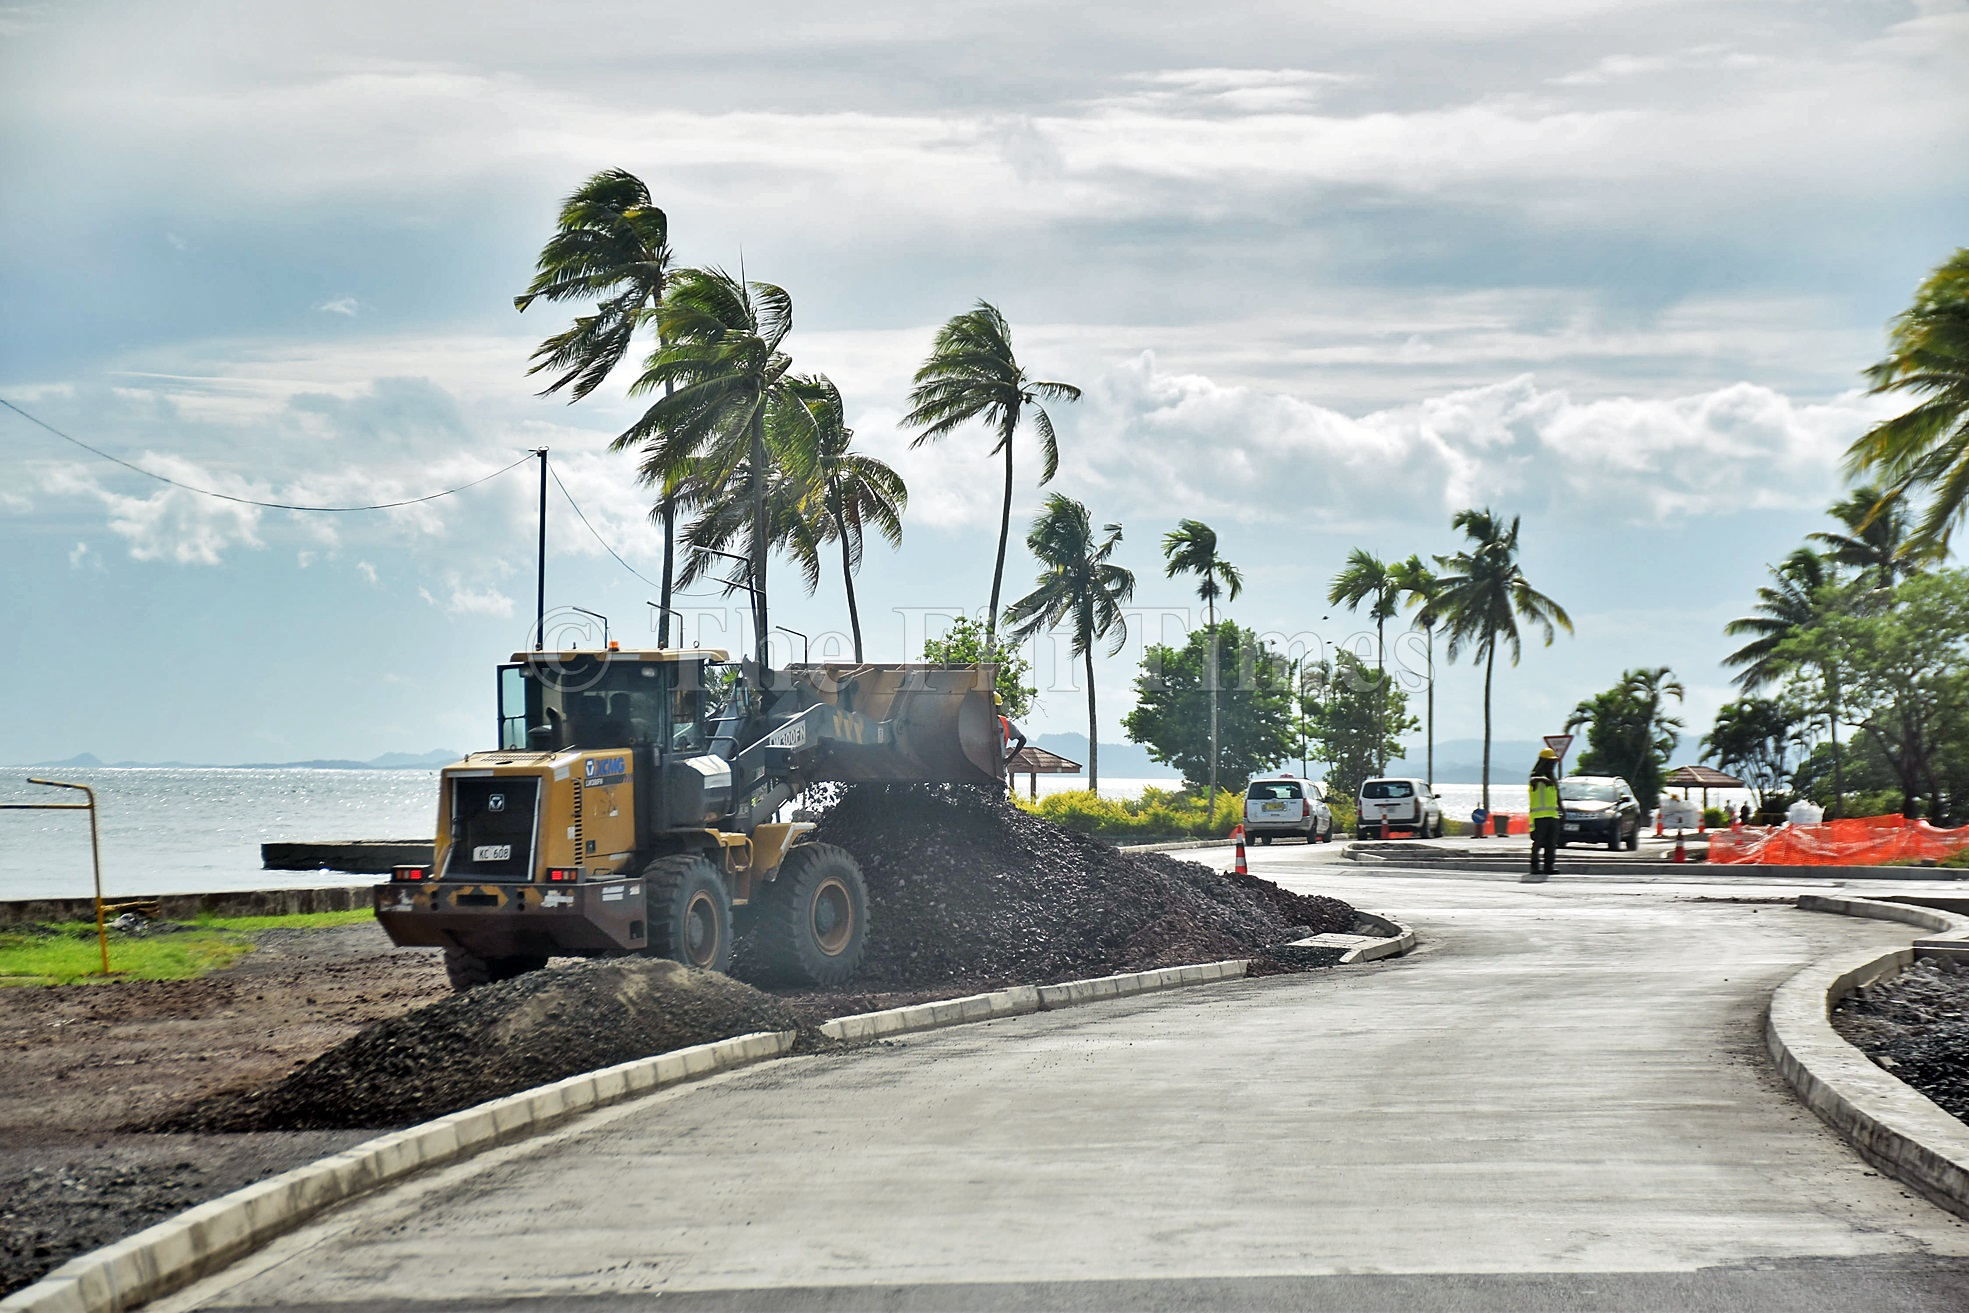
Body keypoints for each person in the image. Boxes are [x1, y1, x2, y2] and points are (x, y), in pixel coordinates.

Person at [1527, 749, 1561, 878]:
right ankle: (1534, 866)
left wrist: (1562, 811)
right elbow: (1533, 780)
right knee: (1539, 842)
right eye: (1551, 762)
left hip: (1553, 816)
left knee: (1551, 843)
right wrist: (1543, 779)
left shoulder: (1552, 778)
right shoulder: (1536, 776)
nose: (1553, 765)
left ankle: (1549, 866)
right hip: (1539, 817)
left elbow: (1558, 797)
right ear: (1544, 762)